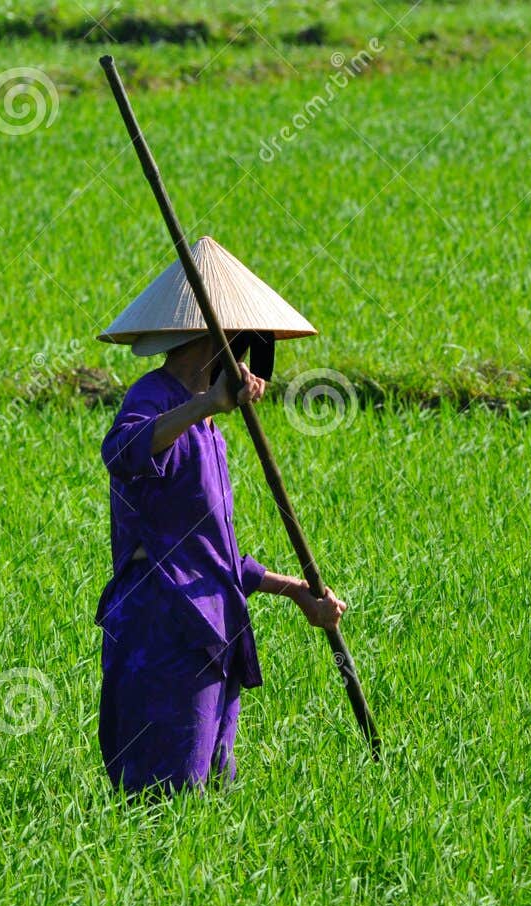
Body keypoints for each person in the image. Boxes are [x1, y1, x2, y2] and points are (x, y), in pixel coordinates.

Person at [94, 238, 347, 795]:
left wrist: (294, 590)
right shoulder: (157, 398)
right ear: (219, 343)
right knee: (165, 796)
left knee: (211, 794)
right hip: (165, 625)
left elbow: (214, 552)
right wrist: (205, 404)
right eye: (246, 347)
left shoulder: (210, 430)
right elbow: (121, 451)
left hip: (216, 624)